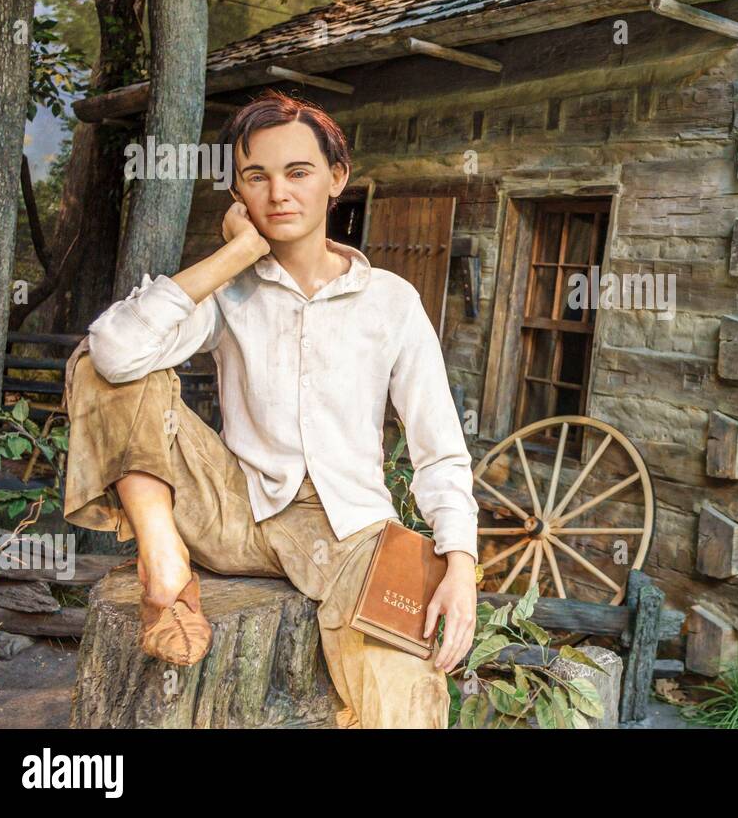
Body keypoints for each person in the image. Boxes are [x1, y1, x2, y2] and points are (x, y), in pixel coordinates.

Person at [62, 90, 478, 728]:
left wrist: (460, 561)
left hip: (349, 535)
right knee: (103, 367)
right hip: (233, 509)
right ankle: (164, 565)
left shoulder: (391, 301)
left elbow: (439, 447)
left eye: (299, 172)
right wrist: (234, 257)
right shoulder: (230, 290)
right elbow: (112, 352)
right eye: (257, 176)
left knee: (405, 701)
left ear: (336, 178)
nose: (278, 193)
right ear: (238, 193)